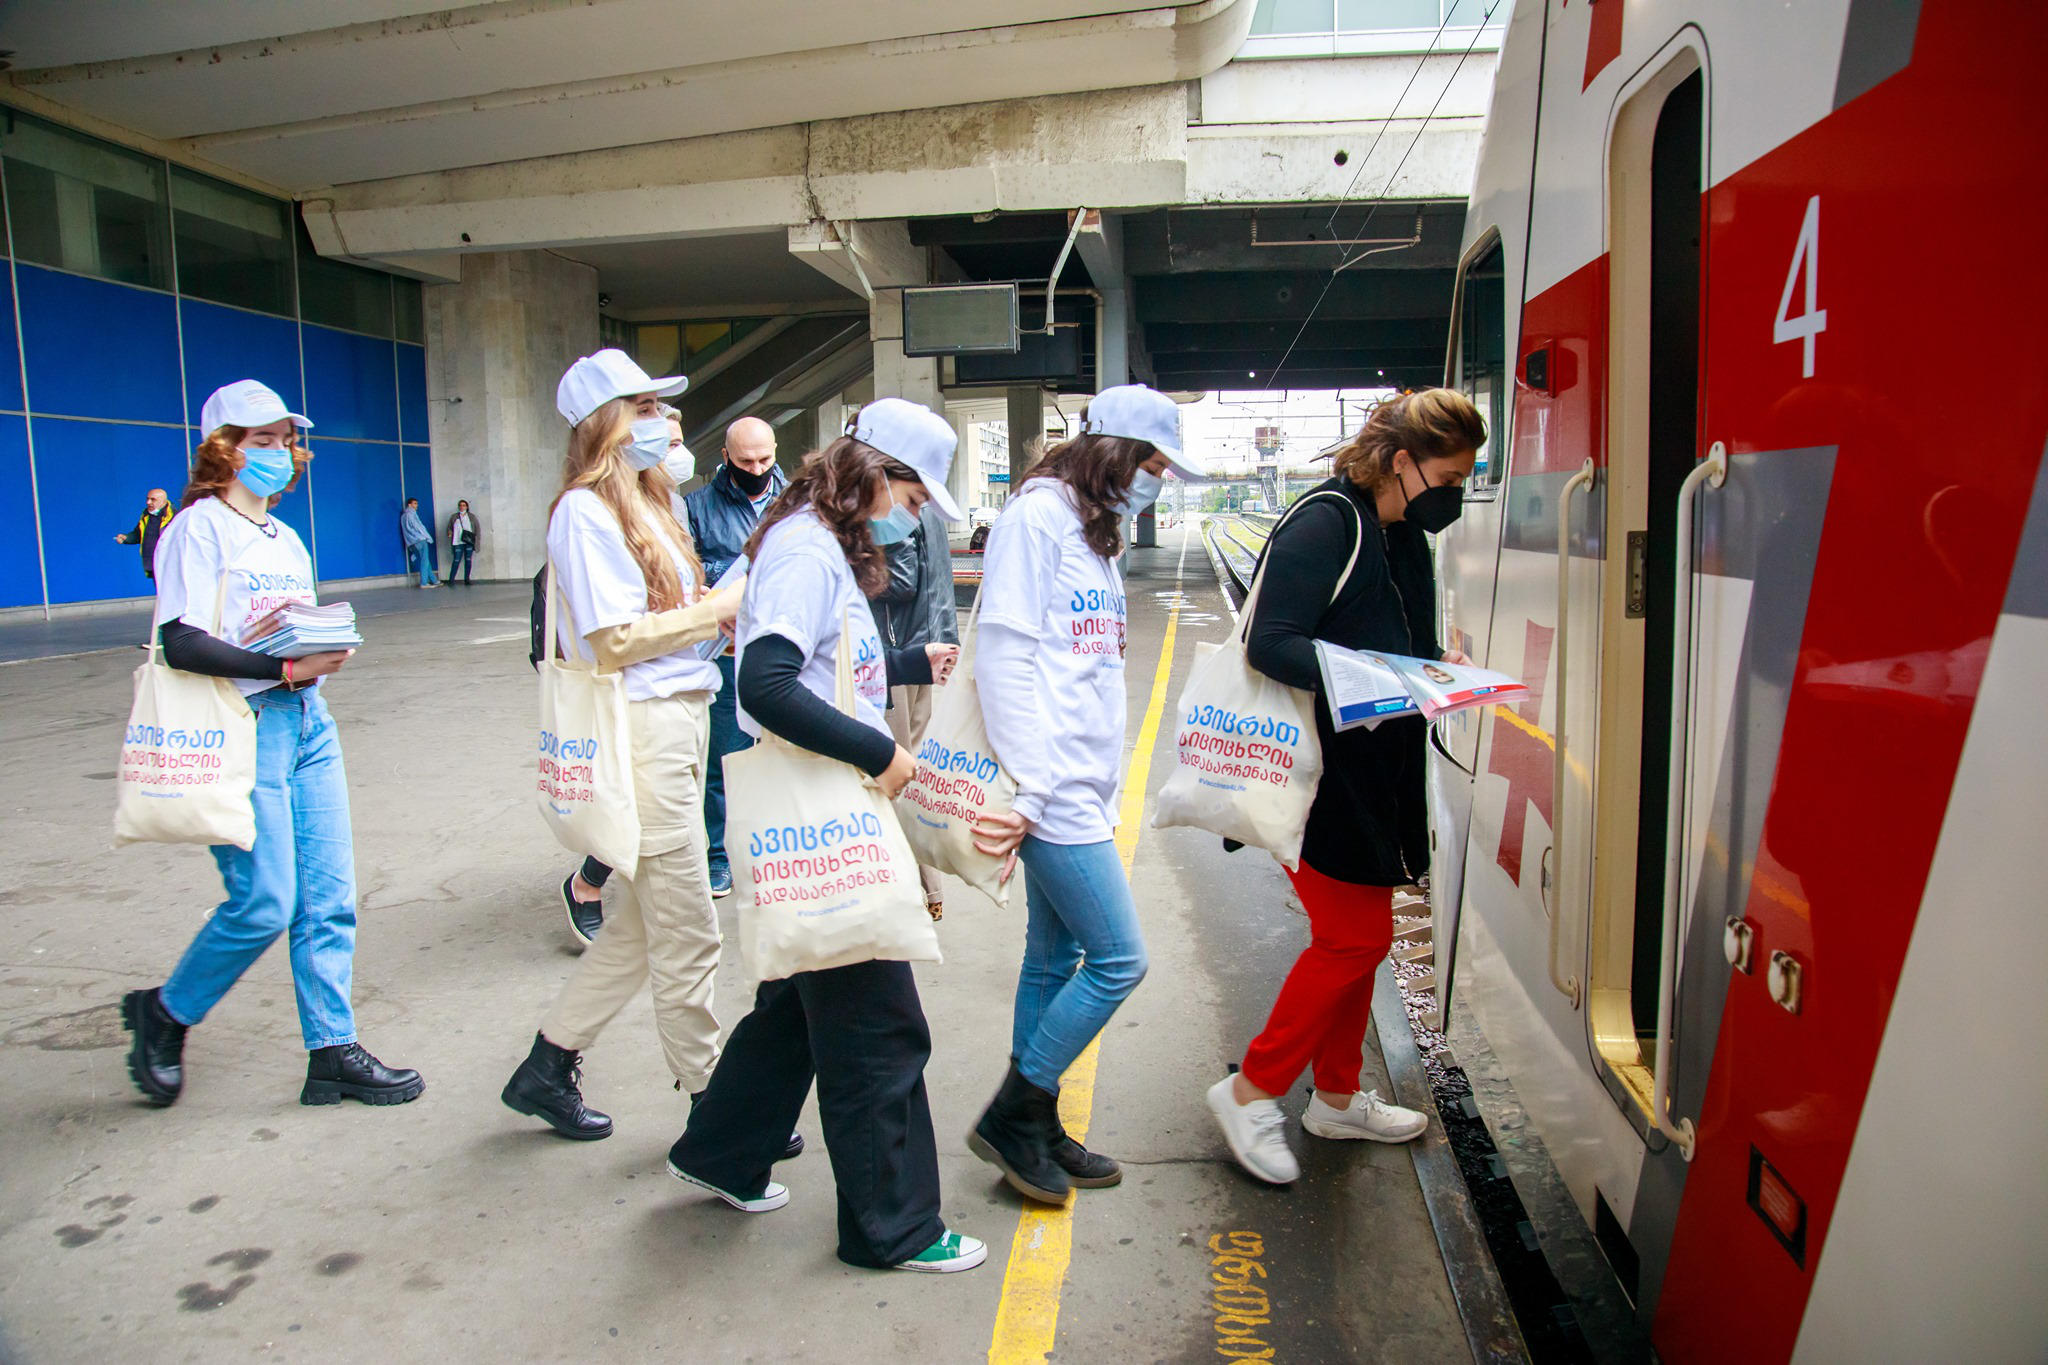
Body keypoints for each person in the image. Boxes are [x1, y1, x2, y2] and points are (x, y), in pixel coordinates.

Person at [665, 398, 986, 1274]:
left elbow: (818, 664)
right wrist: (885, 753)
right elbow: (767, 683)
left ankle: (721, 1150)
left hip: (813, 806)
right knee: (880, 1028)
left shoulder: (810, 537)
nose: (912, 519)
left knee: (798, 1007)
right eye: (912, 500)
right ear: (877, 474)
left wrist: (910, 664)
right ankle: (894, 1227)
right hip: (826, 810)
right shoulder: (808, 550)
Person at [120, 380, 423, 1110]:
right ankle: (166, 1011)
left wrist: (317, 647)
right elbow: (180, 639)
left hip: (308, 720)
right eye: (262, 440)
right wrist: (281, 666)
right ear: (222, 449)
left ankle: (332, 1050)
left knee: (328, 899)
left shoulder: (285, 538)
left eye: (286, 440)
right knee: (265, 901)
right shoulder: (197, 528)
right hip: (242, 725)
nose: (280, 453)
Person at [1206, 389, 1484, 1184]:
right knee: (1354, 938)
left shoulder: (1401, 536)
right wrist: (1375, 678)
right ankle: (1250, 1090)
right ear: (1401, 462)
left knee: (1364, 935)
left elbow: (1406, 645)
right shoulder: (1328, 522)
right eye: (1449, 476)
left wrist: (1439, 671)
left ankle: (1334, 1096)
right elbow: (1272, 644)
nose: (1454, 493)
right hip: (1318, 773)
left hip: (1378, 774)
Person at [966, 384, 1202, 1203]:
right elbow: (1002, 656)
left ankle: (1037, 1123)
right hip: (1052, 785)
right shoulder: (1036, 520)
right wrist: (1031, 788)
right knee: (1119, 958)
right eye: (1154, 465)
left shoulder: (1090, 529)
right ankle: (1014, 1112)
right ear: (1114, 454)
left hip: (1082, 779)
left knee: (1053, 956)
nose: (1157, 483)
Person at [500, 349, 741, 1141]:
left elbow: (666, 623)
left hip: (683, 716)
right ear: (604, 423)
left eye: (662, 407)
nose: (664, 420)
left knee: (639, 928)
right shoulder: (584, 512)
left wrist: (716, 612)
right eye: (644, 407)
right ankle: (715, 1106)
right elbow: (613, 640)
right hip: (644, 730)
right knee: (688, 927)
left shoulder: (651, 501)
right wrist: (716, 611)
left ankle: (548, 1064)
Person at [680, 415, 787, 899]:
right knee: (725, 757)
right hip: (726, 650)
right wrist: (739, 575)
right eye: (746, 462)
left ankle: (774, 848)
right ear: (726, 458)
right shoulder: (697, 507)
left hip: (784, 648)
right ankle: (720, 856)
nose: (757, 469)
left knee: (785, 754)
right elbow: (687, 570)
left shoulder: (796, 500)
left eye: (765, 459)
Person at [867, 493, 959, 918]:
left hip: (896, 650)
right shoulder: (925, 502)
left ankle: (914, 892)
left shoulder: (887, 506)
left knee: (893, 771)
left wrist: (845, 568)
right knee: (911, 764)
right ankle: (929, 891)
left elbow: (900, 580)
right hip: (923, 645)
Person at [113, 489, 174, 580]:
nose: (148, 502)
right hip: (152, 564)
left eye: (153, 499)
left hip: (170, 564)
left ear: (163, 501)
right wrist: (126, 538)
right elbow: (138, 534)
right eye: (147, 499)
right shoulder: (146, 516)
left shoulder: (175, 516)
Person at [401, 497, 437, 588]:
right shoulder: (411, 514)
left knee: (426, 560)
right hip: (420, 540)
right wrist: (427, 537)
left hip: (411, 542)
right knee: (425, 561)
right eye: (415, 503)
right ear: (409, 505)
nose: (417, 505)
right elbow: (418, 527)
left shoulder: (403, 516)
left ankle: (434, 580)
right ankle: (424, 583)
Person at [447, 500, 479, 585]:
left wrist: (476, 540)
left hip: (468, 541)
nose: (462, 507)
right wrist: (449, 532)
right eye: (460, 505)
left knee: (468, 560)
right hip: (458, 541)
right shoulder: (454, 516)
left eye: (464, 505)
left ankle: (467, 579)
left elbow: (477, 528)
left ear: (467, 507)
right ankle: (451, 580)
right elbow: (449, 527)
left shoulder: (471, 516)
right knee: (456, 560)